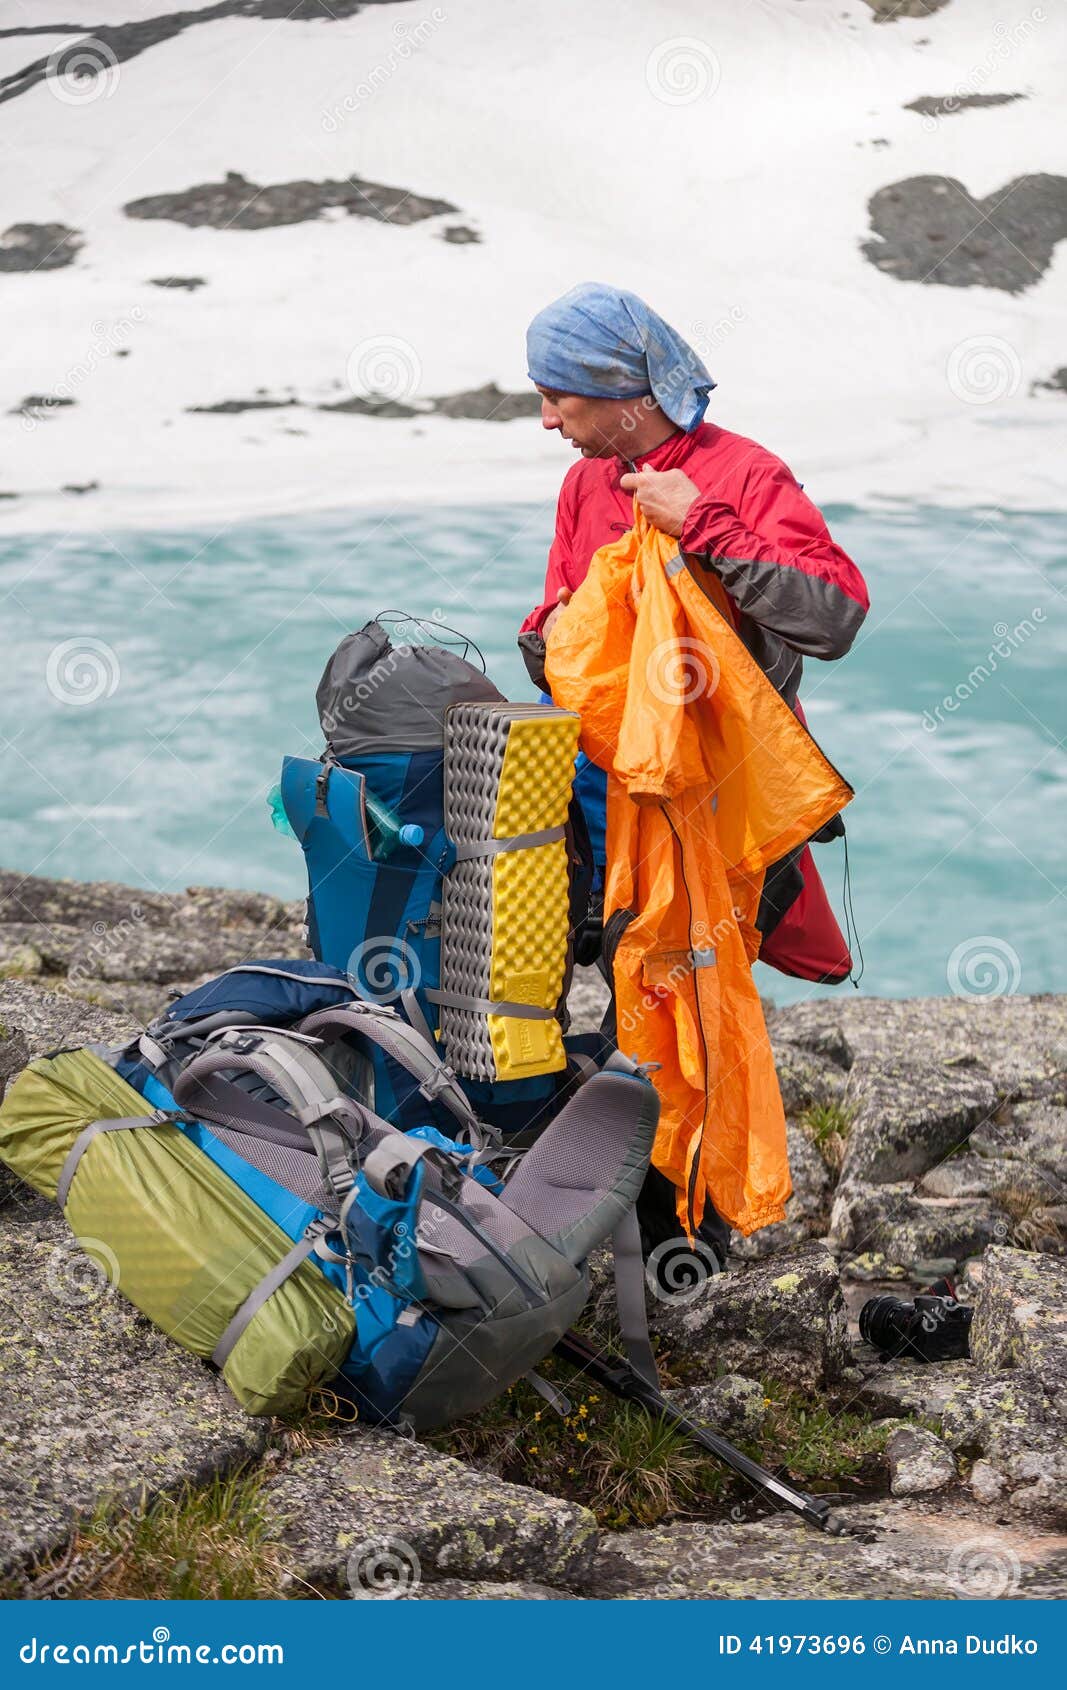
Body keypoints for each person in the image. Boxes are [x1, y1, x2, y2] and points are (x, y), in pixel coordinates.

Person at [517, 282, 870, 1262]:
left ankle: (686, 1238)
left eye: (558, 395)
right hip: (606, 795)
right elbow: (556, 610)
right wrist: (545, 640)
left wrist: (701, 522)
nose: (545, 418)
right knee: (620, 983)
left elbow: (833, 616)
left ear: (619, 390)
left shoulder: (741, 475)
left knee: (697, 1006)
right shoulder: (583, 484)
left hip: (712, 805)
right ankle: (610, 1194)